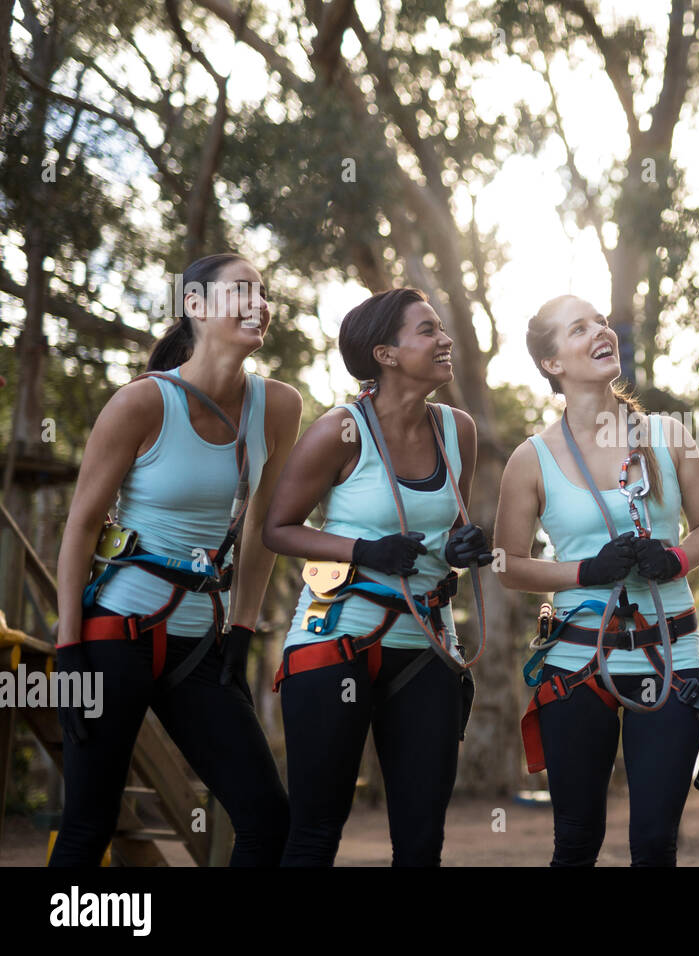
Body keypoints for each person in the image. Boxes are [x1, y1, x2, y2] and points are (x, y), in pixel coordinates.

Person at [51, 253, 300, 866]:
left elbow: (263, 532)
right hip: (114, 634)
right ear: (193, 306)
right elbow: (81, 525)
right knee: (90, 821)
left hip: (199, 647)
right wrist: (67, 648)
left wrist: (241, 629)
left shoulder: (280, 407)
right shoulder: (141, 404)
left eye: (262, 292)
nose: (258, 302)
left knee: (268, 818)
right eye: (241, 289)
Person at [262, 287, 491, 867]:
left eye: (442, 329)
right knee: (315, 833)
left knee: (421, 844)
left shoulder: (457, 431)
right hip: (336, 638)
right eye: (427, 331)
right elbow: (279, 528)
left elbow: (444, 536)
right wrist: (366, 550)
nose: (444, 341)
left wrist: (462, 548)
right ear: (386, 354)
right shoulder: (339, 431)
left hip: (427, 647)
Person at [495, 294, 699, 867]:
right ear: (553, 364)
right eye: (579, 328)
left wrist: (674, 560)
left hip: (668, 657)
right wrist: (585, 572)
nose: (601, 331)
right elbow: (507, 565)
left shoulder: (670, 434)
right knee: (576, 840)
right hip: (575, 665)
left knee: (653, 842)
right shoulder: (530, 458)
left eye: (600, 321)